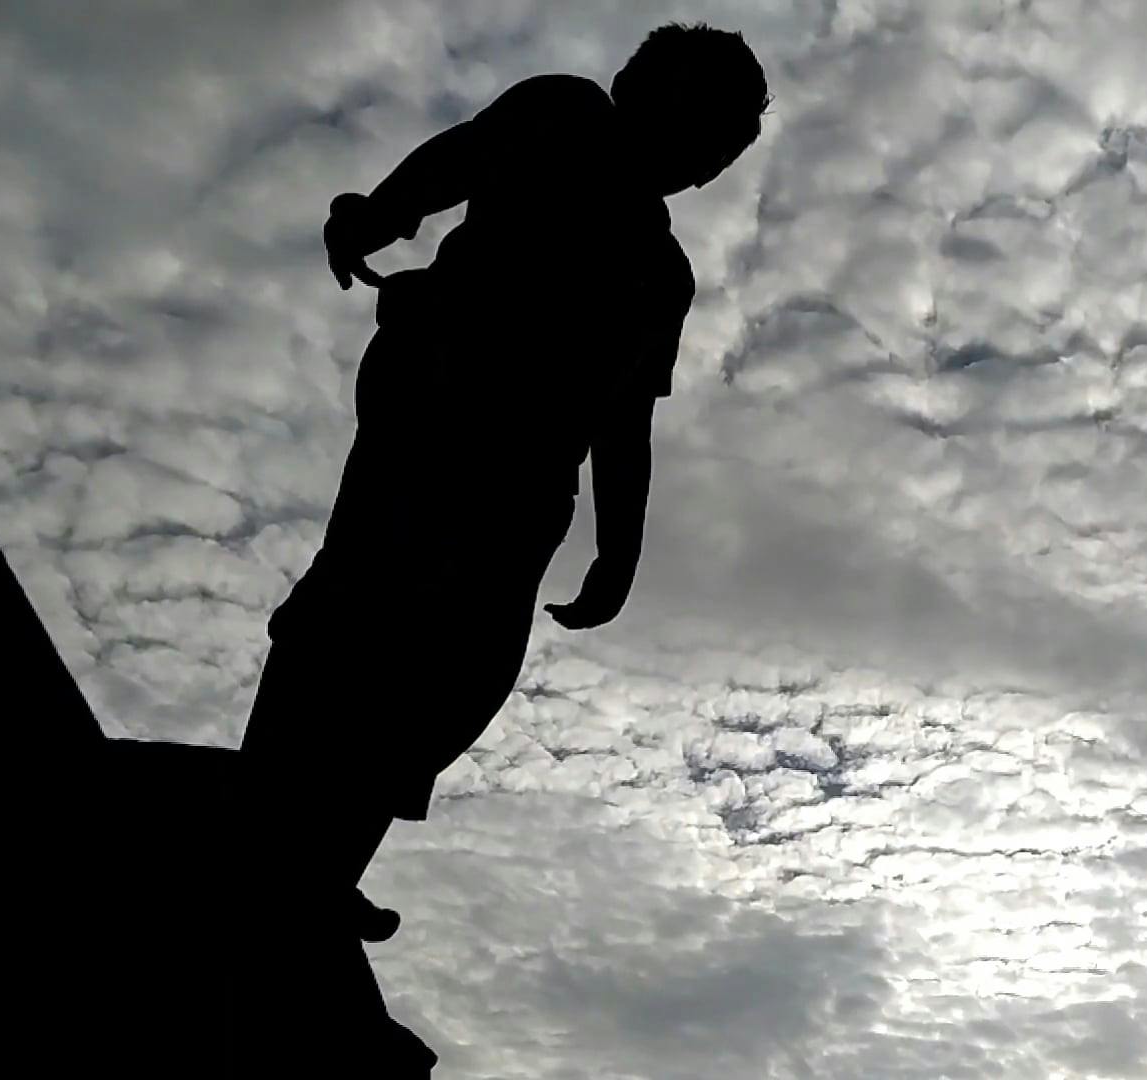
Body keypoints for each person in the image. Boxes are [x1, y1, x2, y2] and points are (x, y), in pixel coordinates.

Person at [238, 22, 770, 947]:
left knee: (458, 673)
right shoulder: (565, 113)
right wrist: (380, 212)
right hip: (442, 402)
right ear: (643, 85)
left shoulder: (664, 273)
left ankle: (327, 865)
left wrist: (621, 543)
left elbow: (627, 414)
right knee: (361, 608)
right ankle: (252, 824)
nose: (707, 151)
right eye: (702, 113)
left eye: (726, 144)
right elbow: (455, 161)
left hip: (530, 480)